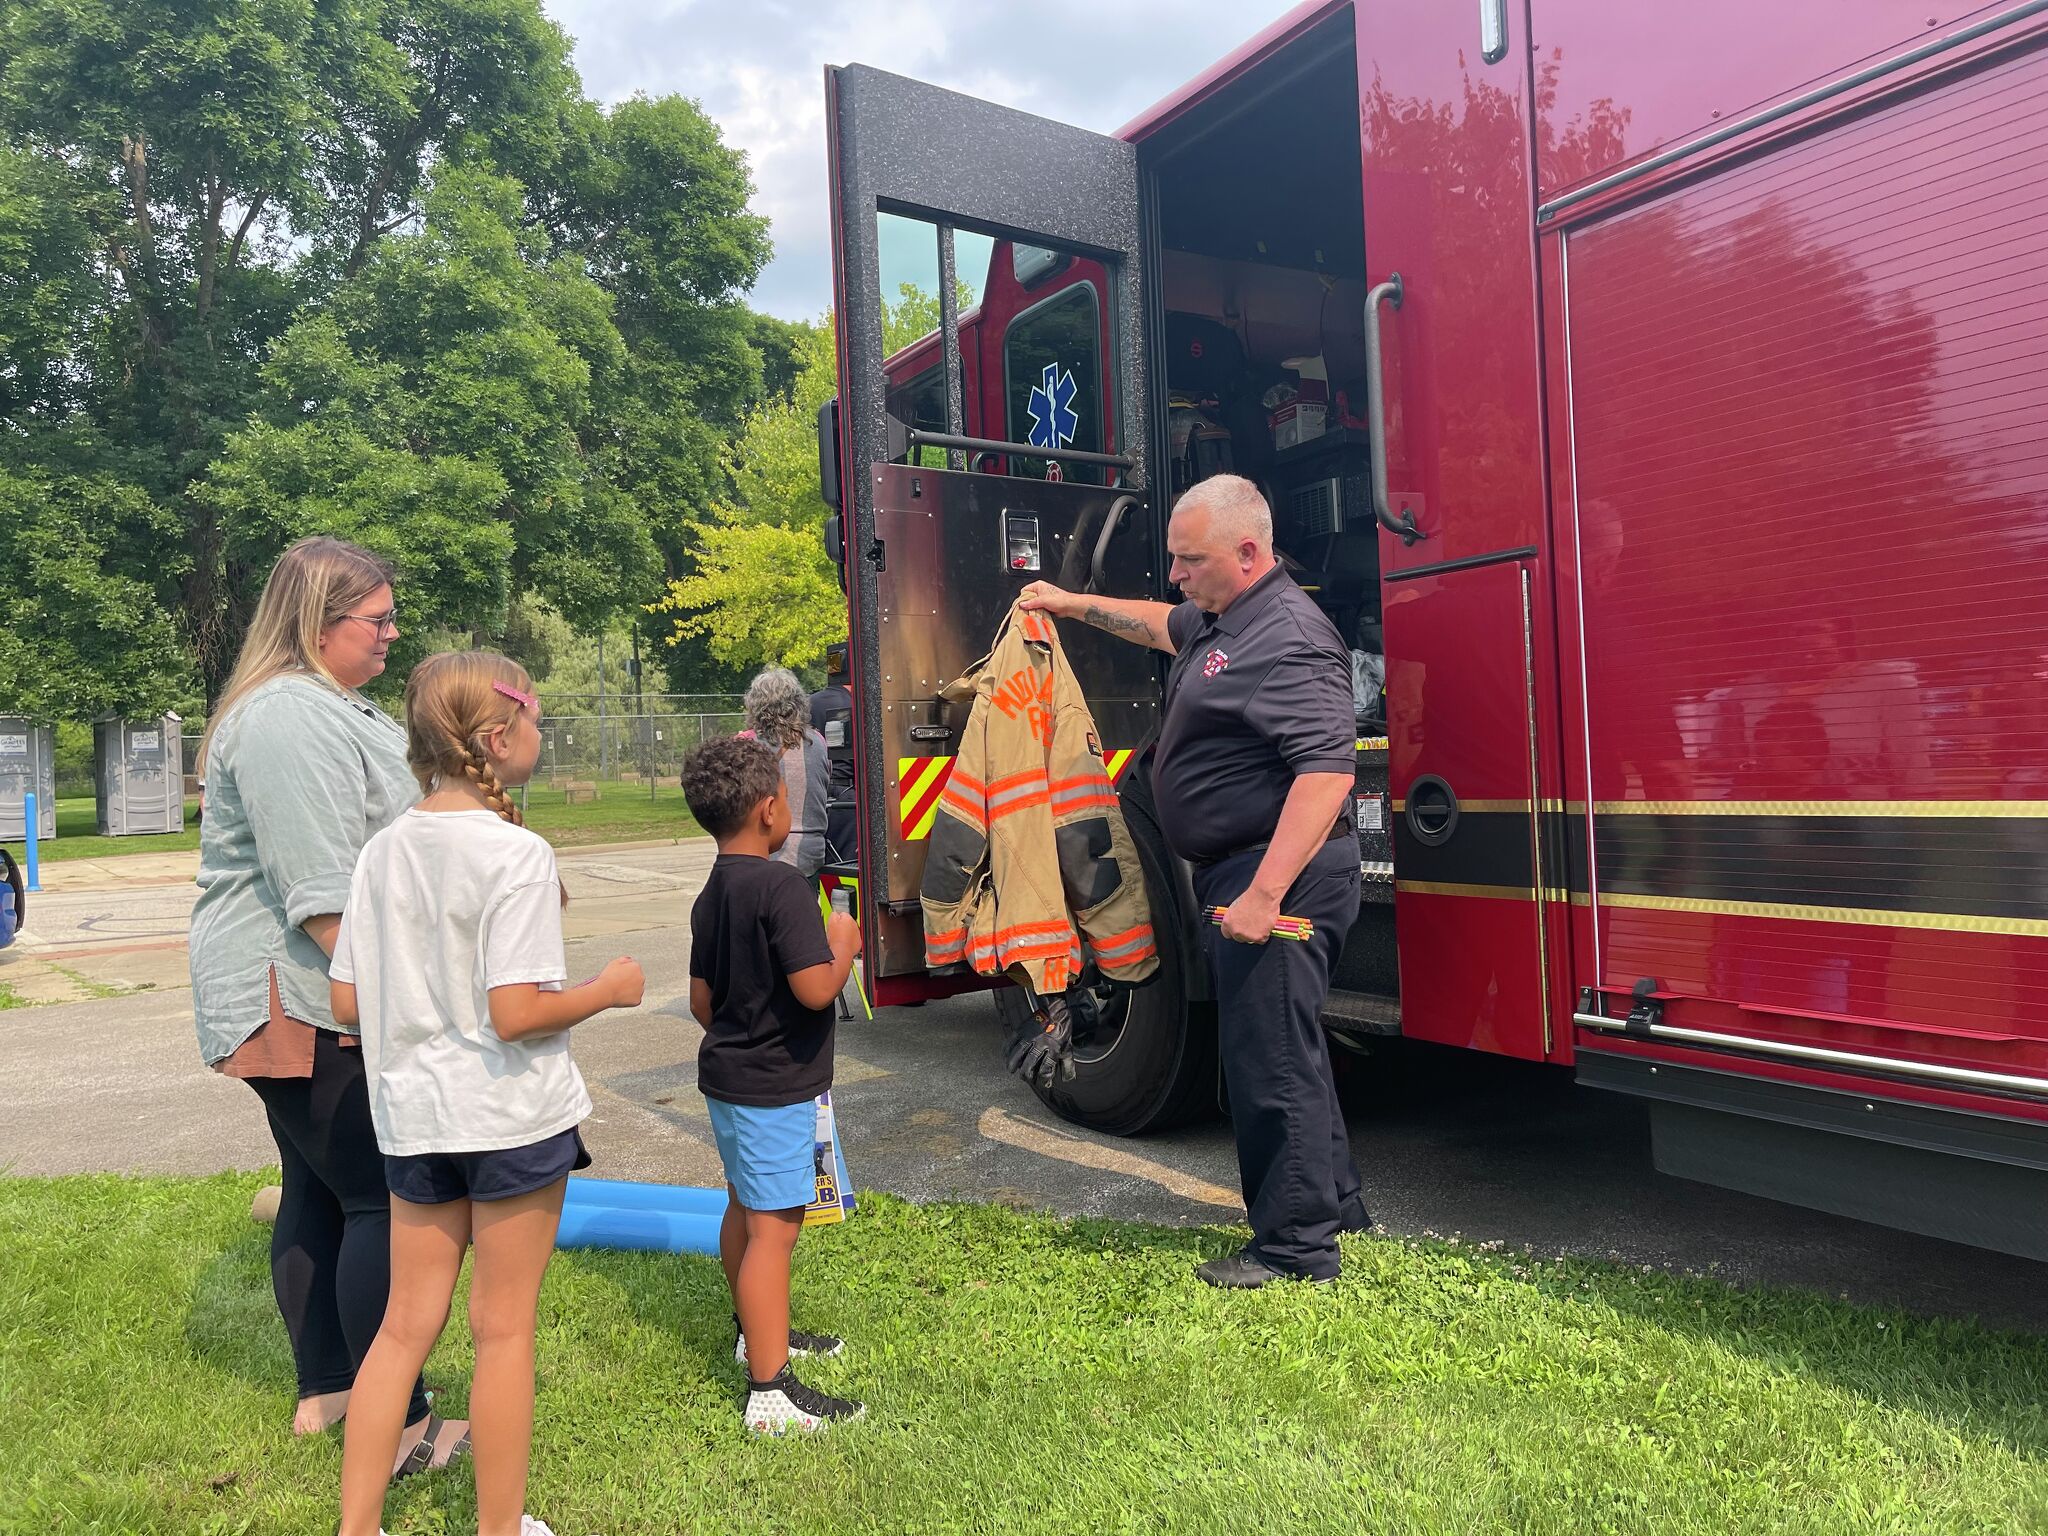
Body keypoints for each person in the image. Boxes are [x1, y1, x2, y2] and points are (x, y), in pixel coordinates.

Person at [1020, 474, 1369, 1289]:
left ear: (1247, 553)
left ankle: (1295, 1249)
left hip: (1276, 878)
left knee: (1267, 1060)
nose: (1175, 575)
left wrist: (1263, 895)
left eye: (1189, 560)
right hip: (1242, 869)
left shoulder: (1289, 637)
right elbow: (1155, 623)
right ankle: (1336, 1206)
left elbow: (1326, 775)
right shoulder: (1222, 617)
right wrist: (1069, 604)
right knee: (1288, 1046)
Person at [331, 652, 645, 1536]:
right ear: (499, 739)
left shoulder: (381, 851)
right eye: (537, 717)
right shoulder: (517, 854)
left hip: (414, 1122)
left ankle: (356, 1528)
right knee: (501, 1330)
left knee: (403, 1329)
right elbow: (517, 1014)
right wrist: (608, 990)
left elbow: (347, 1000)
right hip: (510, 1120)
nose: (544, 732)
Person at [188, 535, 466, 1469]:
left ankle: (333, 1392)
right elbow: (321, 895)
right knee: (379, 1196)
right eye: (376, 619)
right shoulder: (286, 718)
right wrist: (409, 1004)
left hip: (319, 994)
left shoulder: (331, 705)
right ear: (318, 623)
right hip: (305, 994)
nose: (393, 633)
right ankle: (406, 1428)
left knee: (317, 1187)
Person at [681, 735, 864, 1432]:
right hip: (775, 1089)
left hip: (728, 1082)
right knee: (775, 1231)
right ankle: (770, 1389)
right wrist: (842, 945)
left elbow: (701, 1002)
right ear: (768, 809)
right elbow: (816, 989)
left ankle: (755, 1333)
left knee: (743, 1208)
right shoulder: (784, 888)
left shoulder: (711, 893)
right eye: (787, 796)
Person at [741, 666, 830, 882]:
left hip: (763, 853)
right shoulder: (818, 741)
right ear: (798, 703)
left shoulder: (746, 744)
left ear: (755, 705)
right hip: (811, 854)